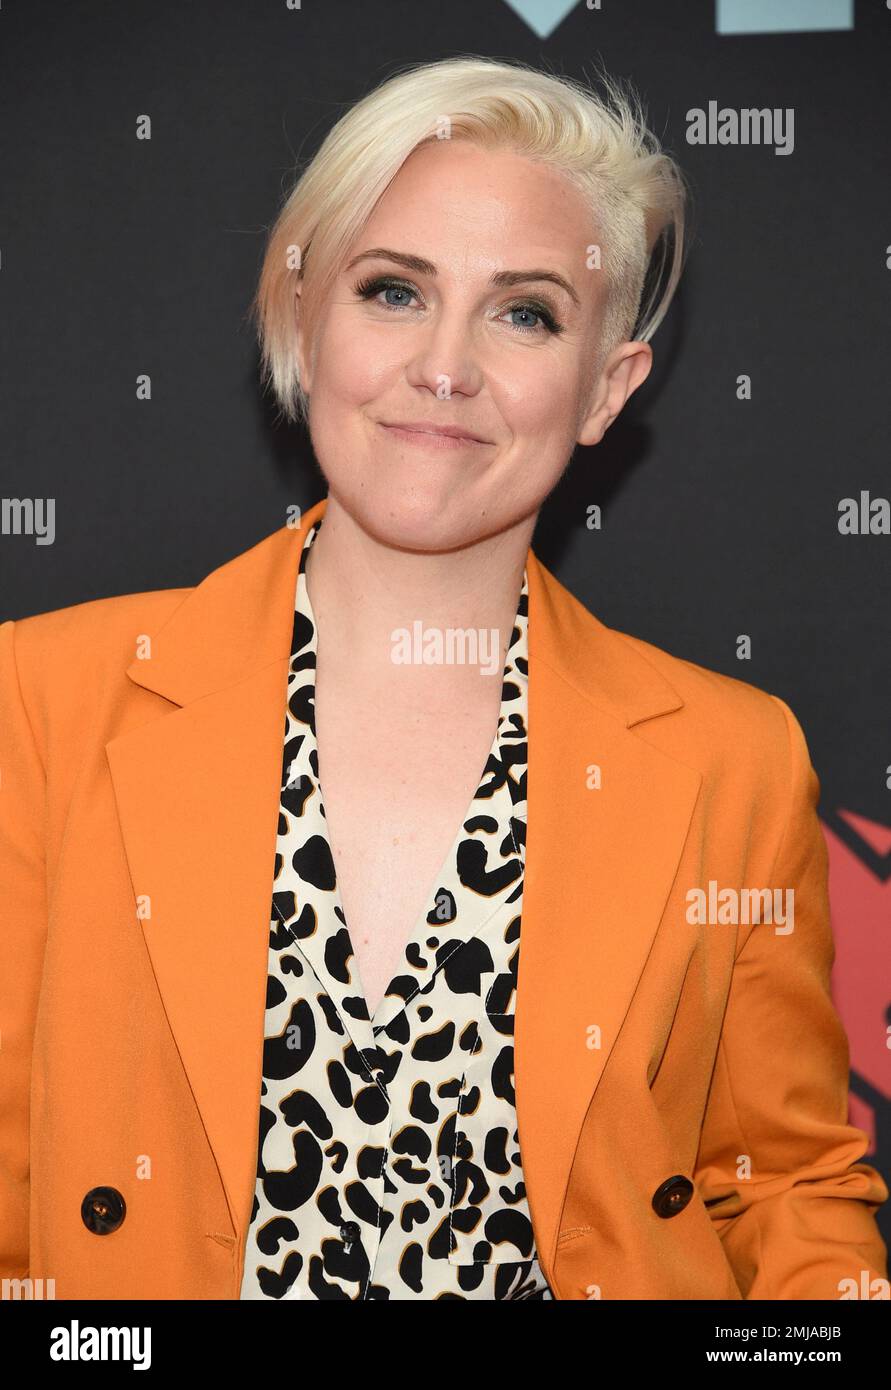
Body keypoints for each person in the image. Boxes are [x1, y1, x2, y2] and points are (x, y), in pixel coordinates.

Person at [1, 55, 887, 1302]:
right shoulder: (42, 702)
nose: (447, 367)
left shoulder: (731, 759)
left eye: (526, 312)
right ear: (304, 319)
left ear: (606, 388)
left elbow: (785, 1186)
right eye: (394, 291)